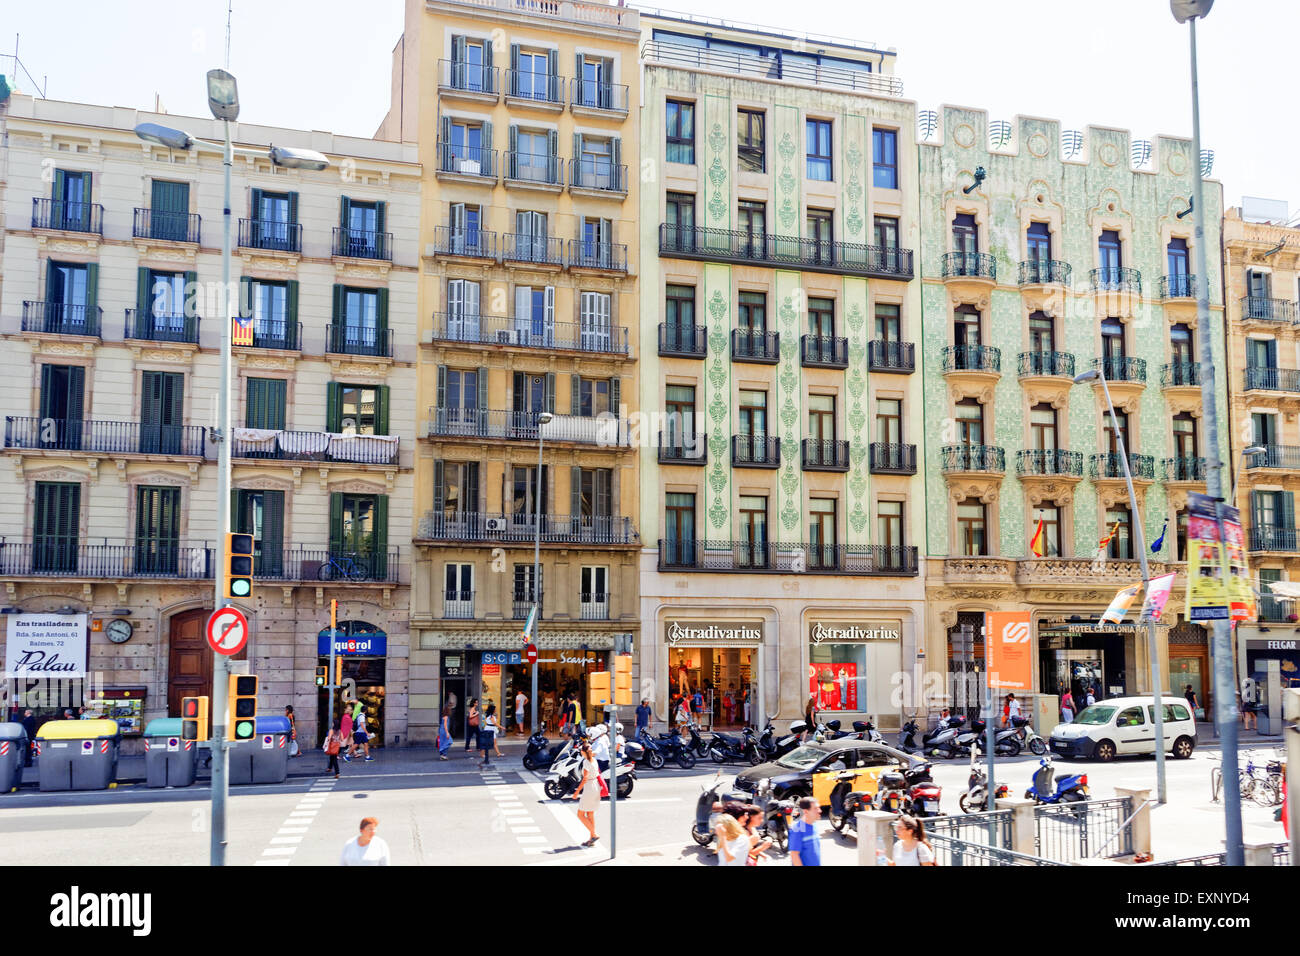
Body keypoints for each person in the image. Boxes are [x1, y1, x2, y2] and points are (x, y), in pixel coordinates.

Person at [572, 741, 601, 847]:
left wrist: (577, 791)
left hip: (589, 787)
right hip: (595, 786)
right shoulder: (594, 760)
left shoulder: (586, 762)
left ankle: (594, 834)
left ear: (583, 752)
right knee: (590, 814)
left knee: (580, 814)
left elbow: (584, 778)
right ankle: (591, 839)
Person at [788, 796, 822, 866]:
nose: (820, 811)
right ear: (806, 812)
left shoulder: (814, 825)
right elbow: (794, 855)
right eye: (815, 808)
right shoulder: (797, 830)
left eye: (819, 808)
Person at [478, 703, 501, 767]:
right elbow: (495, 723)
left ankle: (498, 753)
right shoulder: (491, 716)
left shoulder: (490, 716)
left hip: (490, 729)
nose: (496, 710)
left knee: (490, 742)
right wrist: (502, 727)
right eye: (495, 709)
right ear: (493, 710)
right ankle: (497, 753)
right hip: (490, 730)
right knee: (489, 743)